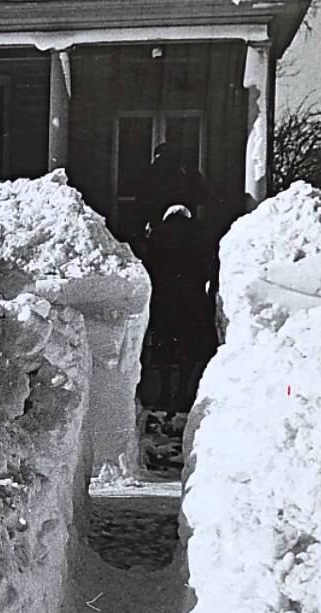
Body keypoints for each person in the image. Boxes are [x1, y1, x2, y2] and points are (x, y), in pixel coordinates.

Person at [137, 143, 216, 413]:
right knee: (186, 337)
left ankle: (166, 393)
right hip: (188, 285)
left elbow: (142, 204)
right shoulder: (188, 182)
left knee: (164, 334)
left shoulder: (155, 181)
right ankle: (181, 391)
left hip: (166, 283)